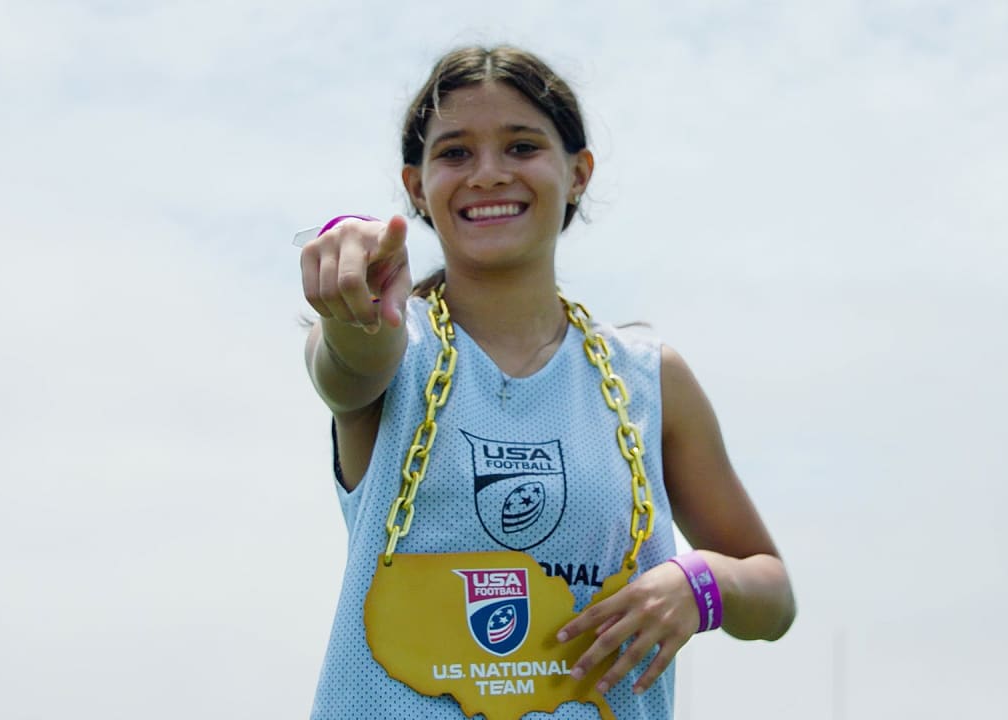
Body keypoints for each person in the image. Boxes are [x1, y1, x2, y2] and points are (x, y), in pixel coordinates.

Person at [300, 45, 795, 719]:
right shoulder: (391, 346)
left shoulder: (650, 380)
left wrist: (699, 584)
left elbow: (772, 593)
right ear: (416, 188)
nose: (488, 174)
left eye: (522, 145)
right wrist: (350, 278)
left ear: (578, 172)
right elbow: (348, 364)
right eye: (454, 154)